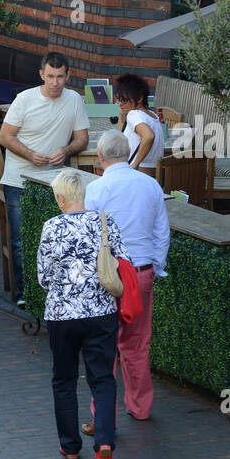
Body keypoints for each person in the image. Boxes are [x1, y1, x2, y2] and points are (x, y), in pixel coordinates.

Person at [37, 168, 129, 459]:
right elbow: (122, 263)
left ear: (61, 198)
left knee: (63, 379)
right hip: (101, 312)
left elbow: (44, 278)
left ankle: (70, 446)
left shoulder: (51, 227)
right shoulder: (104, 221)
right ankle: (104, 441)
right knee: (102, 378)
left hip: (62, 315)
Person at [84, 129, 170, 428]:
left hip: (110, 275)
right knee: (137, 342)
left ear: (100, 157)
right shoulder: (151, 185)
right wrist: (154, 269)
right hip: (142, 272)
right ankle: (140, 407)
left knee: (104, 343)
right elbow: (162, 233)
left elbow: (91, 238)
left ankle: (104, 414)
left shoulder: (96, 189)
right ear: (128, 154)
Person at [0, 52, 89, 309]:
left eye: (61, 77)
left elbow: (82, 138)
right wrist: (29, 154)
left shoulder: (74, 100)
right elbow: (5, 136)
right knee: (20, 238)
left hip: (55, 180)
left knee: (56, 238)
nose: (55, 82)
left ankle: (53, 290)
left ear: (68, 76)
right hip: (20, 178)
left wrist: (67, 150)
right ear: (41, 75)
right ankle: (24, 293)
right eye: (50, 76)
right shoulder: (24, 99)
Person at [114, 73, 164, 170]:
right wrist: (122, 113)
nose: (120, 104)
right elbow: (120, 136)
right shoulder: (152, 116)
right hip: (153, 175)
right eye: (118, 100)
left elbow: (149, 136)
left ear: (139, 98)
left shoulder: (134, 115)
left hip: (138, 174)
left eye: (124, 100)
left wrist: (135, 164)